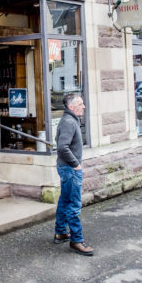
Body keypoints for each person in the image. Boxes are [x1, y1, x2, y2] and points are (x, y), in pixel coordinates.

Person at [53, 93, 93, 256]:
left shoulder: (69, 120)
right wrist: (76, 164)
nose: (83, 106)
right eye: (80, 104)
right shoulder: (69, 121)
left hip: (66, 168)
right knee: (73, 205)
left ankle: (61, 232)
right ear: (71, 107)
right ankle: (77, 241)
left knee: (65, 200)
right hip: (70, 169)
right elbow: (62, 147)